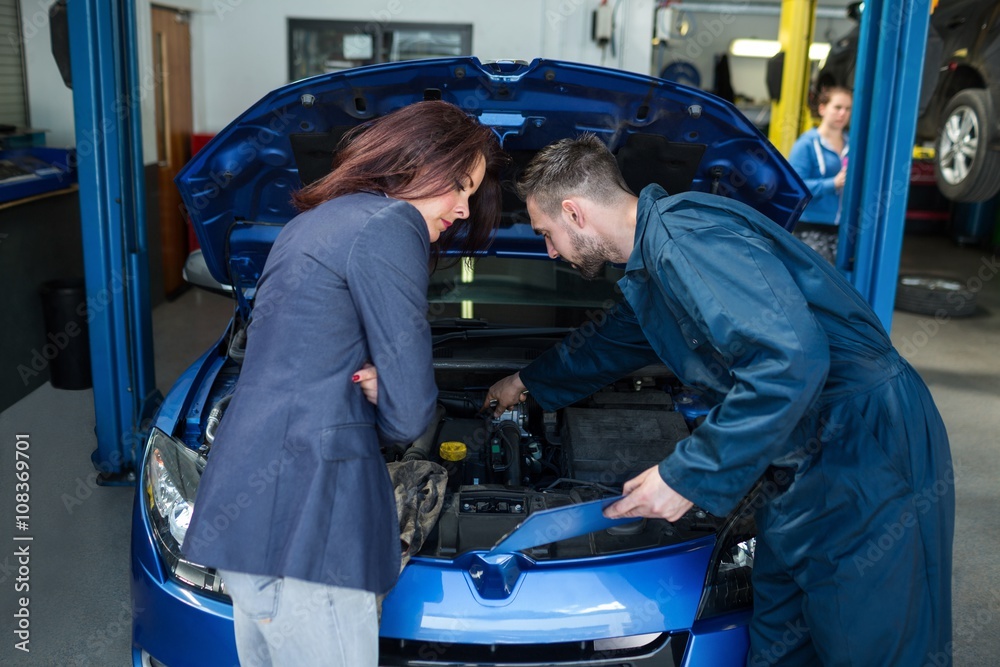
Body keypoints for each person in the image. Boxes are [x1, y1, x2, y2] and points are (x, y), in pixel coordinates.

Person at [486, 135, 953, 666]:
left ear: (574, 212)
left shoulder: (688, 238)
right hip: (792, 452)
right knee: (780, 635)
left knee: (871, 641)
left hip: (861, 442)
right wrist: (524, 382)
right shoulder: (653, 265)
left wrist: (685, 475)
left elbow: (789, 360)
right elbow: (610, 342)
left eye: (546, 233)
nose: (549, 251)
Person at [183, 100, 505, 667]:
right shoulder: (392, 224)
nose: (462, 208)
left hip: (256, 513)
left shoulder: (314, 222)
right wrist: (389, 394)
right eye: (458, 185)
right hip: (312, 521)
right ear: (414, 160)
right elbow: (411, 411)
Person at [788, 86, 852, 264]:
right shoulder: (806, 144)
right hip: (811, 228)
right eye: (837, 107)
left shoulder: (853, 144)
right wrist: (833, 183)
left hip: (843, 228)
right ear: (822, 108)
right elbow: (795, 187)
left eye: (848, 109)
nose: (843, 113)